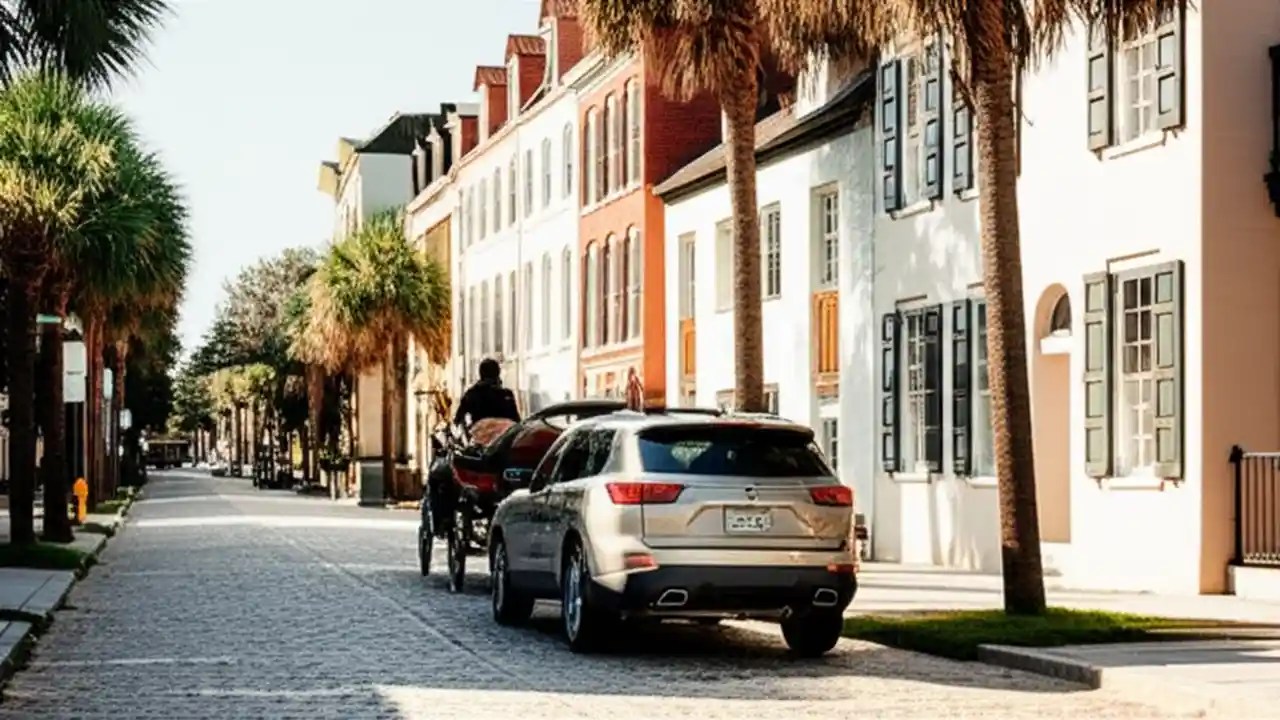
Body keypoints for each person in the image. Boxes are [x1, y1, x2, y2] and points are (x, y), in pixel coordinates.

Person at [454, 358, 520, 432]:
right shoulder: (506, 395)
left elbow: (458, 420)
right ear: (498, 374)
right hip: (504, 439)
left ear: (481, 374)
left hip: (480, 438)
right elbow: (517, 422)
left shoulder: (471, 394)